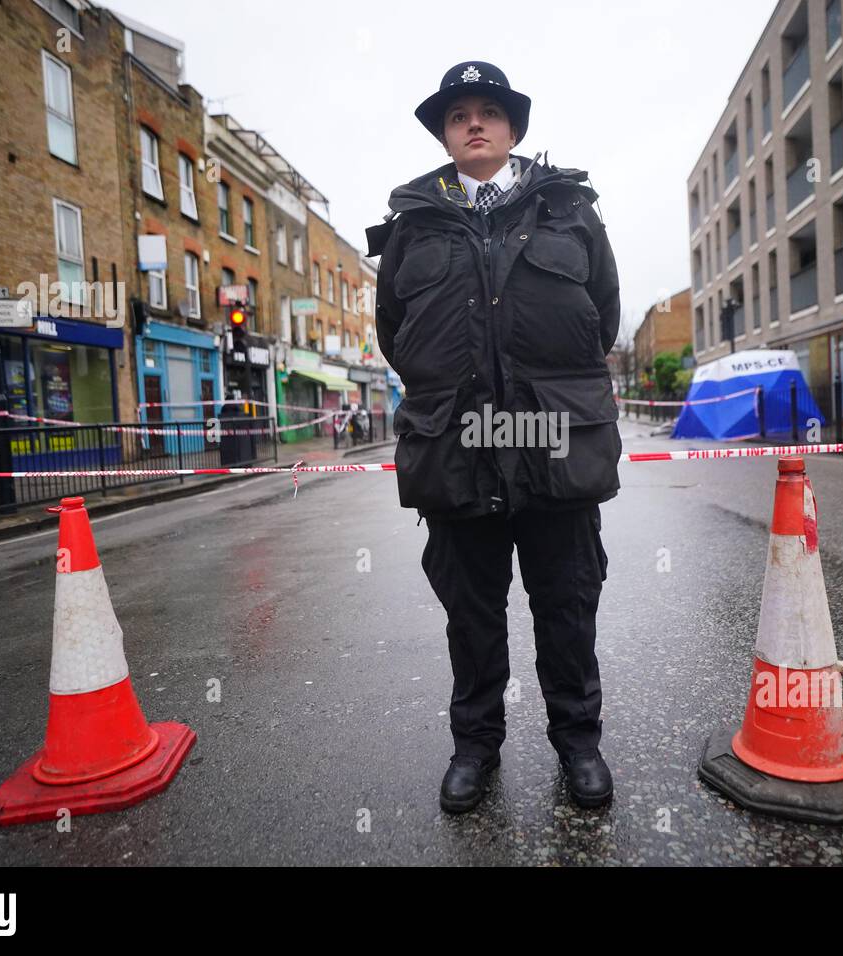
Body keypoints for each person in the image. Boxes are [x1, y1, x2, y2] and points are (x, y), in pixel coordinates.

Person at [367, 61, 622, 813]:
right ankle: (474, 748)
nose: (473, 123)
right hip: (458, 450)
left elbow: (601, 318)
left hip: (554, 448)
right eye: (457, 116)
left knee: (567, 607)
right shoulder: (415, 225)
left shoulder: (569, 210)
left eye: (488, 111)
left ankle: (579, 743)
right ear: (446, 136)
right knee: (472, 617)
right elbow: (396, 336)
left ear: (512, 129)